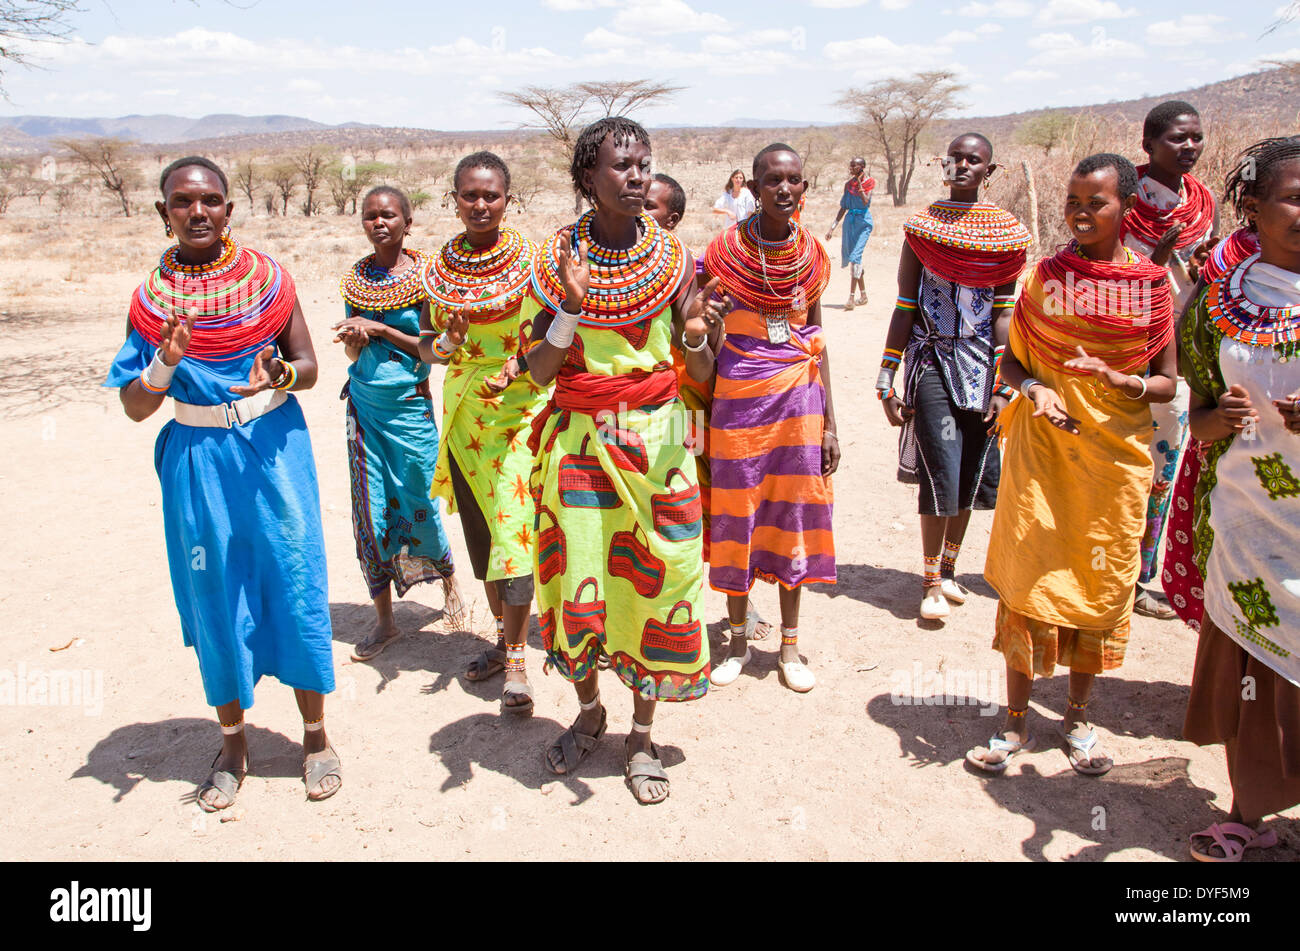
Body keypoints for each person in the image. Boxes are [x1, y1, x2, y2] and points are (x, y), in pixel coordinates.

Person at [105, 156, 340, 810]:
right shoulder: (152, 303)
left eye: (210, 200)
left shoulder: (268, 281)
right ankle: (233, 745)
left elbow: (310, 366)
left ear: (229, 209)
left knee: (295, 581)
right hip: (198, 460)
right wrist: (163, 362)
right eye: (182, 201)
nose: (198, 211)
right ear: (164, 213)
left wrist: (279, 376)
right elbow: (133, 405)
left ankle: (315, 736)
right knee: (215, 595)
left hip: (272, 450)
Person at [525, 117, 721, 803]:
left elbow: (698, 367)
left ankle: (641, 734)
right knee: (576, 584)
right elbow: (535, 370)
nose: (638, 176)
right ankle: (588, 713)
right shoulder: (555, 260)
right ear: (586, 178)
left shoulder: (673, 259)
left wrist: (695, 335)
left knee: (662, 582)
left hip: (659, 443)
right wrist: (571, 311)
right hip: (580, 444)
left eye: (645, 164)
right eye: (621, 166)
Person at [968, 153, 1178, 776]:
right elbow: (1009, 361)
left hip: (1114, 459)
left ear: (1127, 208)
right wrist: (1035, 389)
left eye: (1098, 202)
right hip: (1043, 452)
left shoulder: (1150, 288)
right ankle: (1013, 724)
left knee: (1100, 581)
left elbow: (1167, 384)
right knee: (1030, 578)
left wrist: (1120, 379)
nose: (1082, 214)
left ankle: (1079, 719)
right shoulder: (1043, 279)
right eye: (1074, 201)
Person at [1180, 136, 1300, 861]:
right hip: (1250, 515)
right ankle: (1248, 812)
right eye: (1295, 198)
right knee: (1259, 667)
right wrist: (1216, 418)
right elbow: (1194, 413)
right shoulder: (1220, 300)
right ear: (1251, 208)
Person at [700, 143, 838, 693]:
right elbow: (706, 341)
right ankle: (736, 640)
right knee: (738, 517)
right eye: (772, 180)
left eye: (795, 180)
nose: (785, 189)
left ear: (804, 187)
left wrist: (831, 425)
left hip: (800, 406)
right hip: (736, 404)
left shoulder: (813, 255)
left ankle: (789, 646)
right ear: (752, 188)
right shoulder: (724, 254)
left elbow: (819, 343)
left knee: (794, 518)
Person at [879, 133, 1030, 622]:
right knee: (939, 464)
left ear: (991, 169)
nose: (963, 165)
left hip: (984, 365)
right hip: (932, 359)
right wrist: (887, 376)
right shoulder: (921, 230)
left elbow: (1005, 314)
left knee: (969, 469)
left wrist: (1004, 385)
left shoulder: (1006, 236)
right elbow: (905, 307)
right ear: (942, 165)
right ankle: (928, 582)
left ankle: (948, 570)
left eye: (975, 160)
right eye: (956, 158)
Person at [418, 152, 548, 714]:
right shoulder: (439, 269)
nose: (480, 205)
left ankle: (517, 661)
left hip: (518, 411)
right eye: (469, 195)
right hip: (466, 411)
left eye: (490, 195)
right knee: (484, 539)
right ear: (454, 199)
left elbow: (553, 334)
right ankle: (502, 639)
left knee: (515, 530)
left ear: (508, 198)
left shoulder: (534, 263)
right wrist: (447, 342)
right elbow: (429, 348)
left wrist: (518, 367)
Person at [335, 186, 464, 662]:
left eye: (389, 215)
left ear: (408, 221)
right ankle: (385, 620)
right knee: (369, 512)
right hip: (363, 408)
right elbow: (354, 350)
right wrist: (354, 338)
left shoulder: (430, 276)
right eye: (370, 216)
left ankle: (450, 583)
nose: (379, 223)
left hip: (410, 408)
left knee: (420, 499)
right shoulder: (356, 280)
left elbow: (430, 348)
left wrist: (382, 329)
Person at [645, 171, 772, 640]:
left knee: (706, 506)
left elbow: (713, 351)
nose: (640, 213)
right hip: (635, 416)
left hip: (692, 409)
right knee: (648, 510)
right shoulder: (612, 273)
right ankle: (656, 605)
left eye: (652, 207)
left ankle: (739, 602)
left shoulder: (692, 273)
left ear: (673, 219)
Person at [1121, 100, 1219, 620]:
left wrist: (1204, 266)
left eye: (1196, 138)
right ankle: (1102, 568)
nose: (1189, 147)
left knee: (1163, 473)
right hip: (1127, 353)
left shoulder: (1202, 203)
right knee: (1119, 468)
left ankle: (1140, 577)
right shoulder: (1119, 198)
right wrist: (1157, 260)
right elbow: (1103, 278)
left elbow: (1212, 278)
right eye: (1178, 139)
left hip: (1182, 361)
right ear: (1149, 145)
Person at [825, 157, 876, 310]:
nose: (851, 167)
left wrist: (860, 185)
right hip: (850, 223)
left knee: (855, 257)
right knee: (855, 260)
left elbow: (866, 201)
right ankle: (864, 295)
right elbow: (843, 208)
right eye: (851, 165)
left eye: (855, 165)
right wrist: (832, 228)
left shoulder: (869, 182)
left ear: (863, 167)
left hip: (863, 222)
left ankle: (851, 298)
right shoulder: (848, 185)